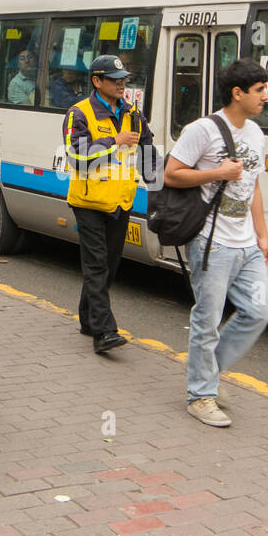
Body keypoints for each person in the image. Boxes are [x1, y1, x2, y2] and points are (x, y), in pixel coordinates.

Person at [163, 58, 268, 428]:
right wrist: (218, 173)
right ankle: (200, 396)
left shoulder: (256, 133)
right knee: (207, 320)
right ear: (237, 93)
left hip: (247, 244)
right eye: (259, 90)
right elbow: (172, 174)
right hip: (212, 242)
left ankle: (210, 372)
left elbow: (253, 186)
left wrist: (262, 234)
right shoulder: (203, 129)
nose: (265, 96)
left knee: (259, 311)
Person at [62, 54, 155, 354]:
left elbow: (148, 153)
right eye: (115, 80)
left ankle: (89, 320)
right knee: (97, 264)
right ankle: (104, 333)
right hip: (88, 202)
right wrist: (115, 141)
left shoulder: (132, 114)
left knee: (109, 267)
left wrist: (166, 190)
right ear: (97, 81)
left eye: (124, 79)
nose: (121, 84)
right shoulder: (79, 113)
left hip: (120, 203)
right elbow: (76, 155)